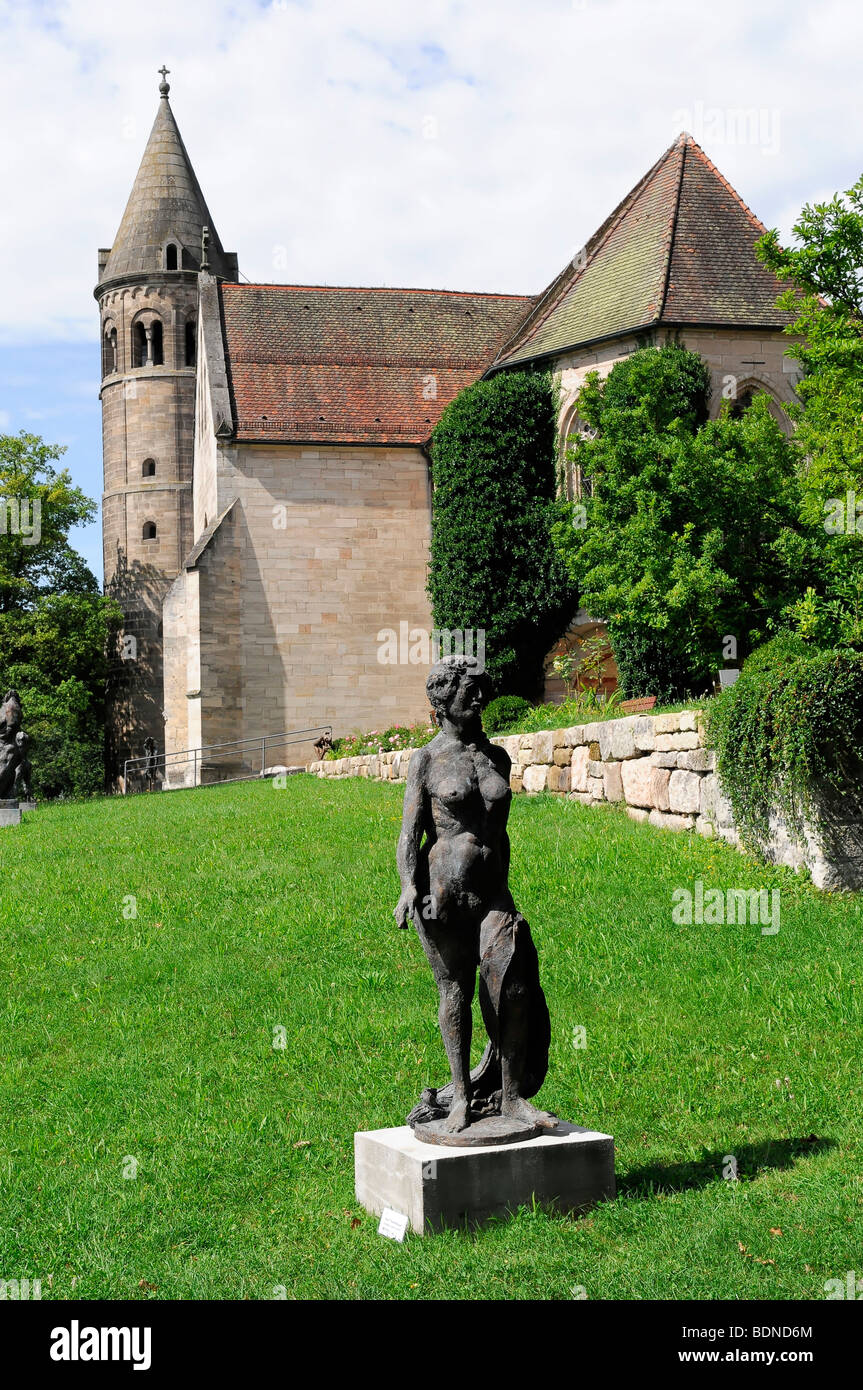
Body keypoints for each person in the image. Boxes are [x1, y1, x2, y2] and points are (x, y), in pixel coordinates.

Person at [395, 655, 554, 1136]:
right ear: (443, 701)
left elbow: (499, 833)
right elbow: (410, 833)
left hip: (493, 892)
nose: (482, 698)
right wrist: (407, 888)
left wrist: (503, 880)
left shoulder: (496, 757)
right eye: (472, 692)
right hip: (440, 895)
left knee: (514, 988)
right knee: (455, 992)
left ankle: (511, 1098)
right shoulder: (426, 759)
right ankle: (461, 1097)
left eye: (484, 689)